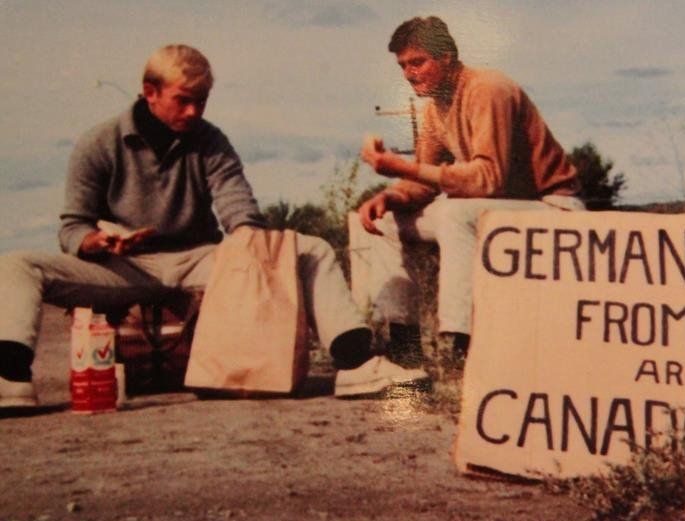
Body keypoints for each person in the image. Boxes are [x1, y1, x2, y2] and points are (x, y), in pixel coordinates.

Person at [0, 44, 427, 408]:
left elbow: (238, 208)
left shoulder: (210, 140)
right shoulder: (98, 143)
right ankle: (9, 377)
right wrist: (96, 241)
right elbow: (71, 226)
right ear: (151, 92)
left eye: (202, 101)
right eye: (184, 100)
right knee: (17, 265)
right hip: (124, 265)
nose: (194, 111)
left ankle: (355, 362)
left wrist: (253, 247)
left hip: (202, 260)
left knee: (311, 248)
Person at [357, 16, 582, 365]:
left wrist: (400, 166)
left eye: (418, 62)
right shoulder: (435, 108)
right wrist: (390, 196)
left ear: (447, 57)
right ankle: (402, 343)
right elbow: (422, 182)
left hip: (553, 206)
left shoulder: (487, 88)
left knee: (455, 211)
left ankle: (458, 343)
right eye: (403, 65)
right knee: (384, 220)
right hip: (503, 209)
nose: (409, 73)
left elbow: (488, 178)